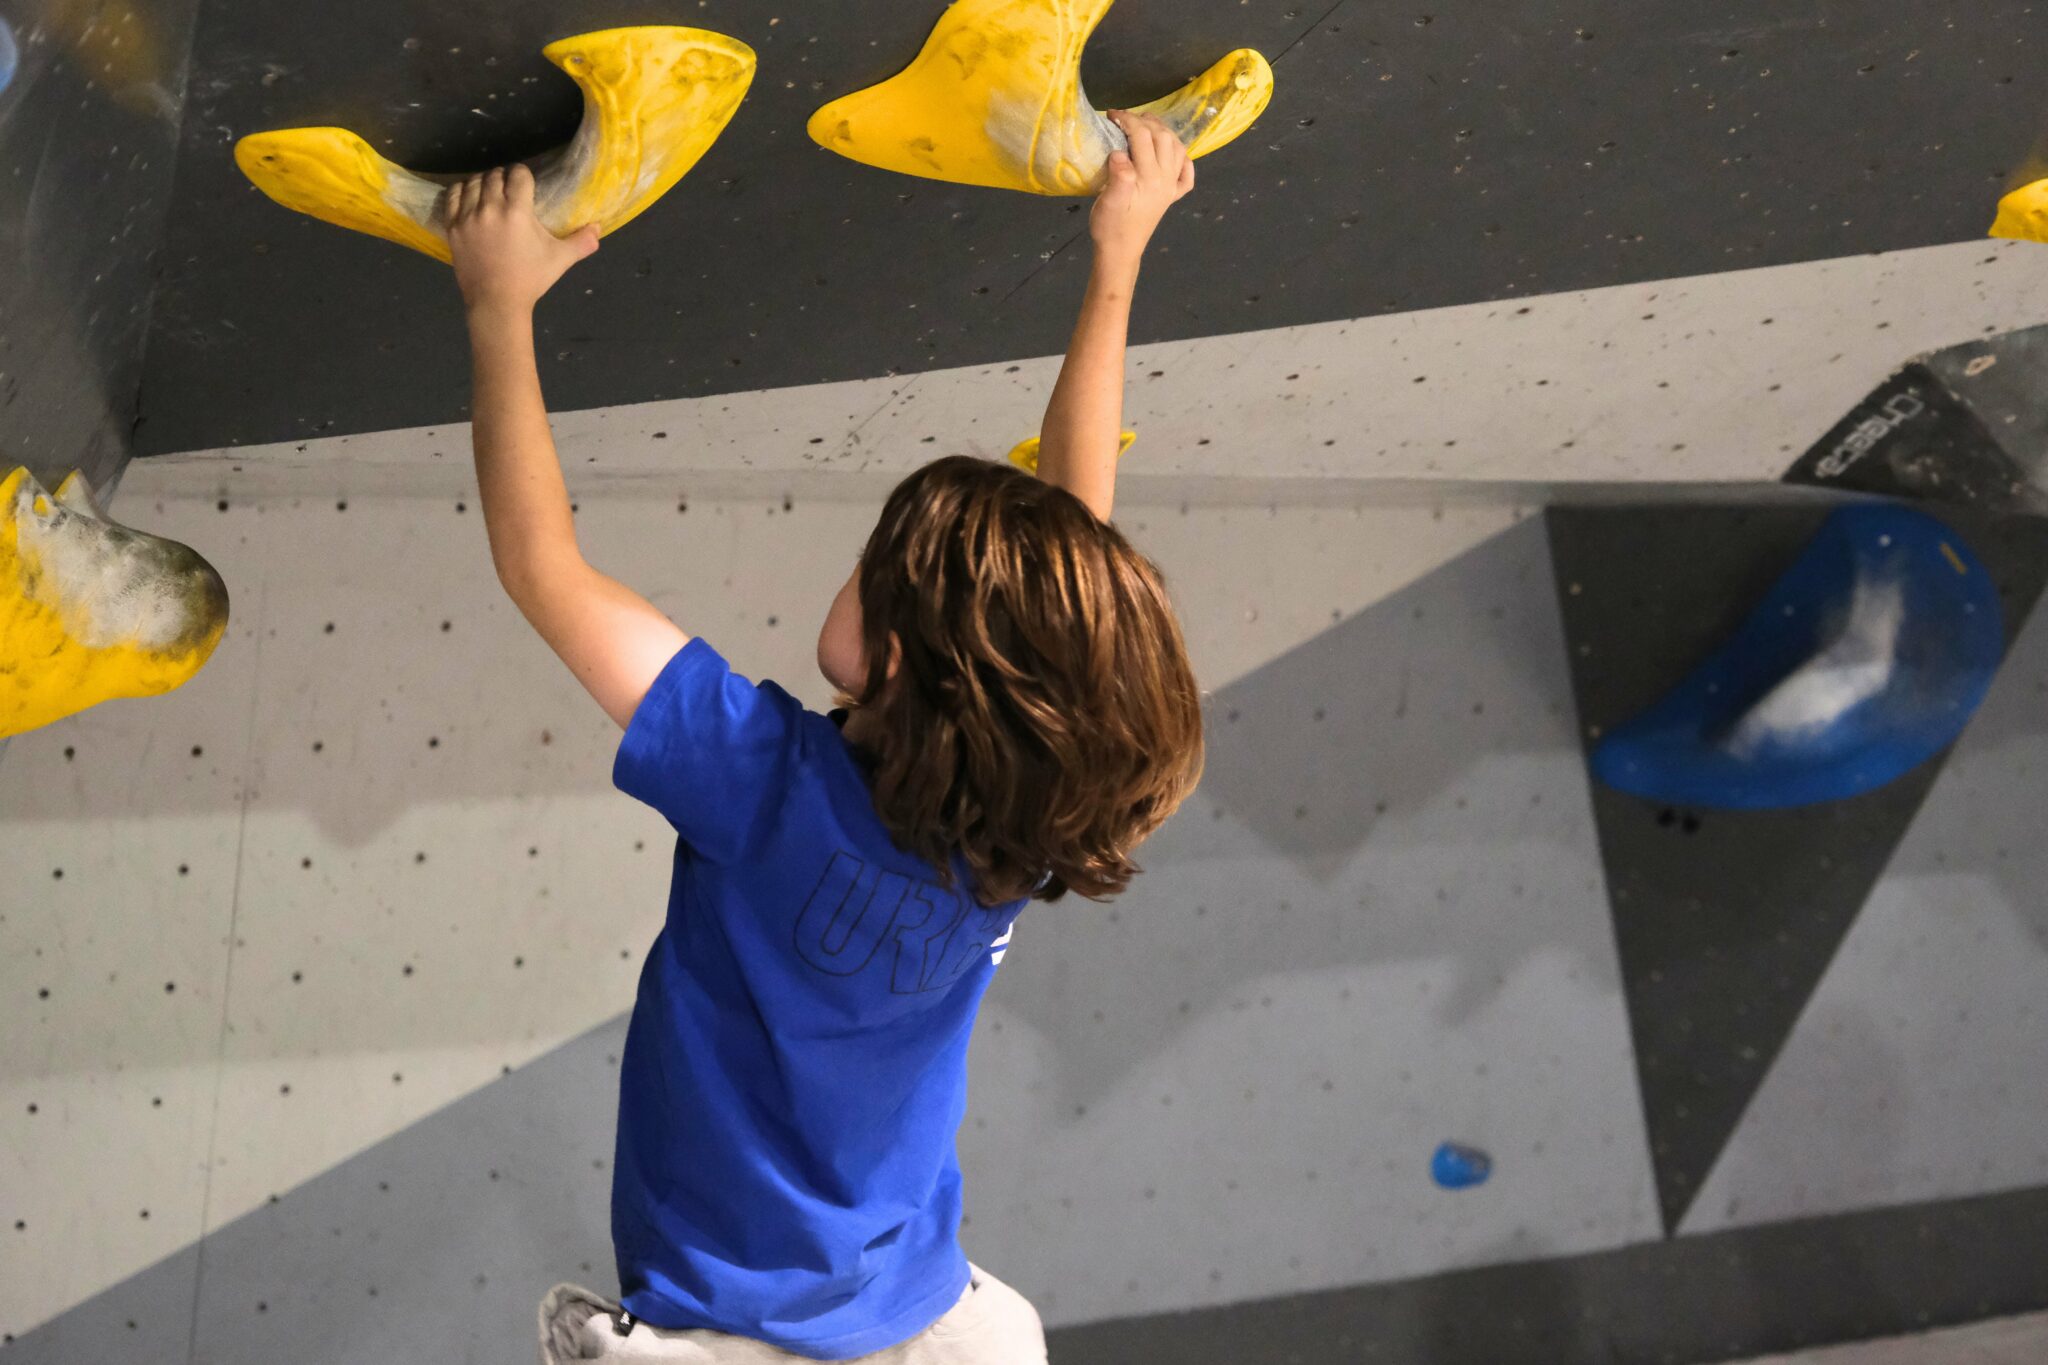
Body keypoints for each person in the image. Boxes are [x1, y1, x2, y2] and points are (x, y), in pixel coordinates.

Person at [444, 109, 1205, 1365]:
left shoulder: (761, 780)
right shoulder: (1015, 826)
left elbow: (542, 567)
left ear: (893, 657)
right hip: (907, 1300)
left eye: (870, 570)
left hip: (753, 1325)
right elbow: (1070, 530)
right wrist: (1115, 254)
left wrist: (496, 302)